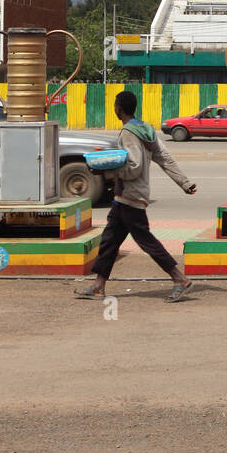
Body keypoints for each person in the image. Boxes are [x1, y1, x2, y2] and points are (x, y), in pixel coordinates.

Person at [74, 90, 197, 303]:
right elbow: (165, 158)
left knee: (145, 240)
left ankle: (180, 279)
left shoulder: (128, 133)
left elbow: (134, 167)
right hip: (128, 197)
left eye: (114, 104)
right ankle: (98, 286)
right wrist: (184, 183)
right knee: (109, 242)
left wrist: (107, 173)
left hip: (130, 197)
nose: (114, 108)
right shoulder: (146, 128)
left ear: (119, 108)